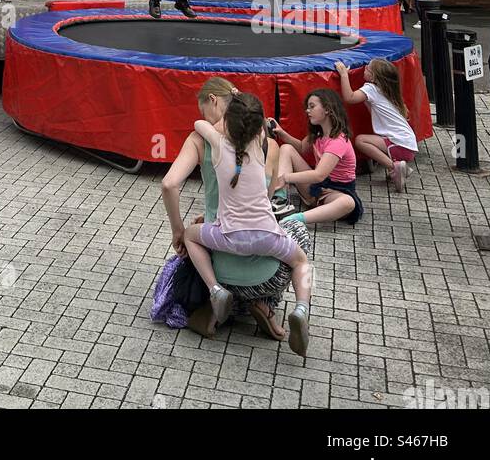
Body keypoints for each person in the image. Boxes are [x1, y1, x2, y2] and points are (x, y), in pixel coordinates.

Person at [158, 78, 311, 341]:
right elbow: (268, 195)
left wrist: (179, 232)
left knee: (192, 236)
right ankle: (289, 306)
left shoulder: (209, 142)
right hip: (266, 256)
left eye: (202, 108)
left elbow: (169, 183)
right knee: (299, 241)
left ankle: (216, 294)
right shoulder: (265, 143)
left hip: (223, 247)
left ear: (214, 101)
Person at [271, 88, 364, 226]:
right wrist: (281, 133)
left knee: (348, 202)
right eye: (307, 107)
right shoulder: (319, 134)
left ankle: (297, 219)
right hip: (317, 189)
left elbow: (319, 175)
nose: (307, 111)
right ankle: (280, 200)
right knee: (286, 149)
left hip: (335, 193)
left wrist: (286, 178)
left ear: (327, 109)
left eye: (312, 106)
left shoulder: (338, 141)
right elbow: (302, 148)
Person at [334, 57, 417, 192]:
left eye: (368, 68)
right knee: (367, 140)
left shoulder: (371, 89)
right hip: (408, 144)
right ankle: (401, 168)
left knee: (361, 140)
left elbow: (350, 98)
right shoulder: (389, 92)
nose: (365, 67)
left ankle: (393, 167)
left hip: (400, 144)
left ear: (373, 78)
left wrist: (344, 75)